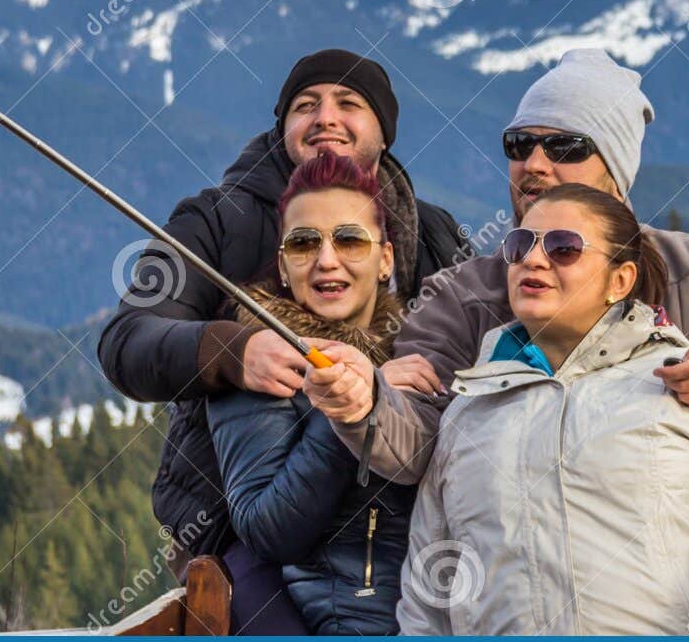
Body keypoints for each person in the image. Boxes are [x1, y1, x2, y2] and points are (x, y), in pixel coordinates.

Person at [305, 48, 689, 484]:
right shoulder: (460, 294)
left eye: (565, 147)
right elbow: (419, 448)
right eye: (519, 144)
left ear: (616, 173)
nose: (534, 163)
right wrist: (367, 402)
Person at [397, 183, 689, 635]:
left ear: (620, 280)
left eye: (563, 247)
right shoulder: (468, 414)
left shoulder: (683, 380)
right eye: (519, 245)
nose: (533, 260)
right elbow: (428, 591)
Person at [97, 49, 468, 580]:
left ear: (384, 132)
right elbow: (127, 341)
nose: (325, 118)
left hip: (401, 528)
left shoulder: (431, 233)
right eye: (305, 105)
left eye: (349, 103)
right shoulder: (216, 221)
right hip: (237, 530)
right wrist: (233, 351)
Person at [207, 153, 414, 634]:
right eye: (303, 243)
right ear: (284, 266)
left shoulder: (421, 349)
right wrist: (348, 408)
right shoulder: (259, 368)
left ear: (385, 260)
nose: (326, 260)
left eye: (349, 239)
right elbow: (268, 531)